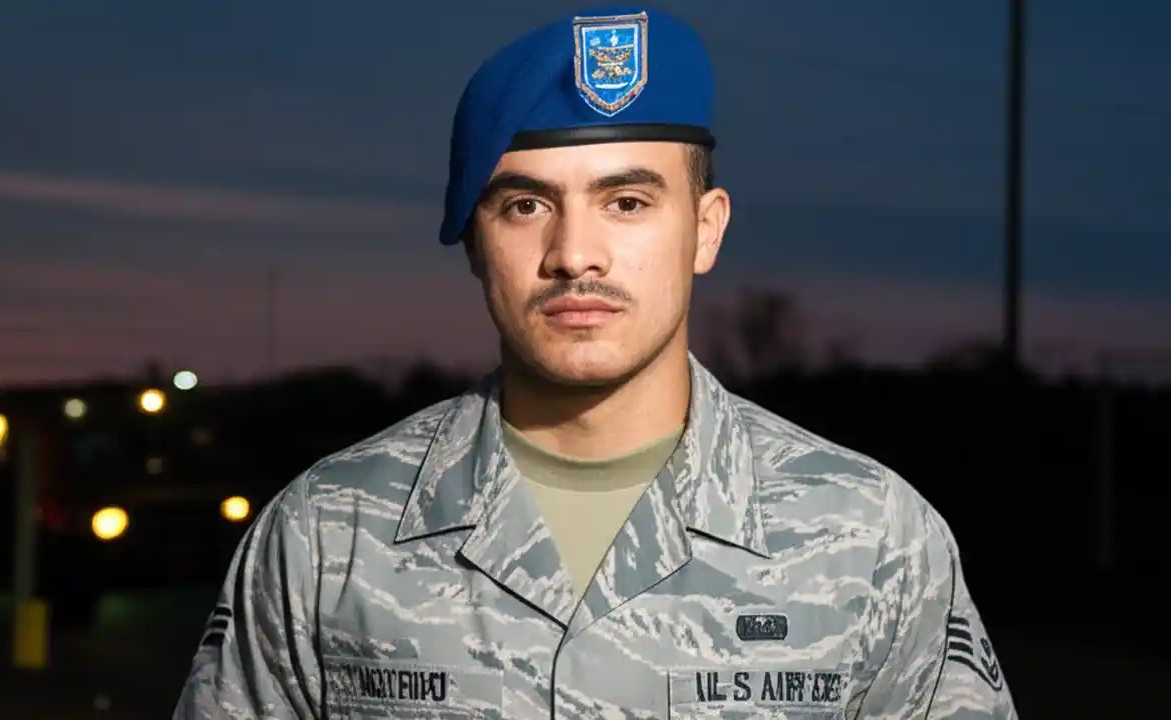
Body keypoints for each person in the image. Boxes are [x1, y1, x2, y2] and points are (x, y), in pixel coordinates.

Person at [174, 5, 1018, 718]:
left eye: (626, 201)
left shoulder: (872, 537)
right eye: (525, 204)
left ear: (706, 228)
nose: (576, 253)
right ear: (476, 241)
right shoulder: (328, 536)